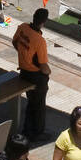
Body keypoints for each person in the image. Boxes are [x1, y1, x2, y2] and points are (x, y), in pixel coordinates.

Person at [13, 8, 51, 139]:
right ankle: (37, 133)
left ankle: (27, 130)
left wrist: (24, 56)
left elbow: (15, 42)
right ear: (44, 22)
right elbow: (43, 65)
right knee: (39, 106)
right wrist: (48, 72)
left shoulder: (23, 27)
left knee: (31, 103)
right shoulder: (39, 41)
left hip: (24, 72)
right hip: (36, 77)